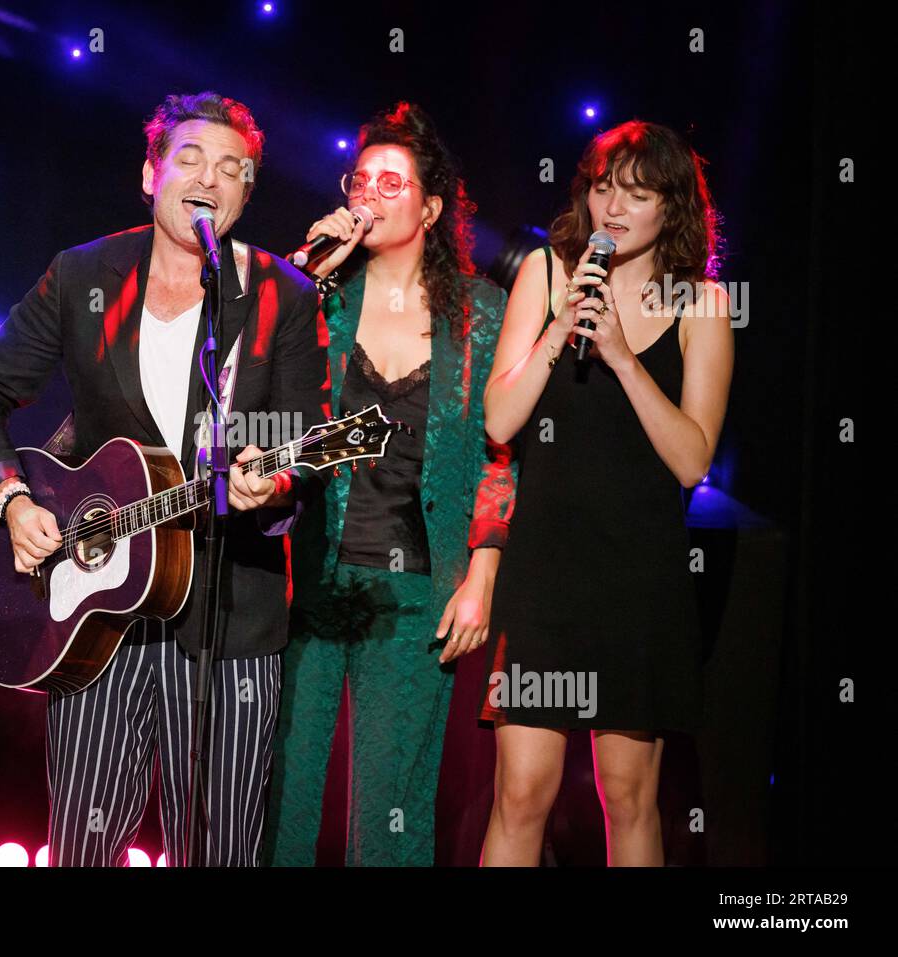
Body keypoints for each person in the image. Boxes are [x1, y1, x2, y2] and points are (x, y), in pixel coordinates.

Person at [0, 91, 329, 867]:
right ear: (150, 175)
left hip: (229, 618)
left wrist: (275, 484)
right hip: (95, 623)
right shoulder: (82, 273)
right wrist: (12, 497)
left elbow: (296, 446)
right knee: (82, 846)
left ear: (247, 193)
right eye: (188, 159)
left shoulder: (282, 296)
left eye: (233, 170)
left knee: (219, 849)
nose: (209, 179)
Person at [263, 102, 516, 866]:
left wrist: (482, 574)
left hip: (416, 592)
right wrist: (304, 271)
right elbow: (249, 379)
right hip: (307, 579)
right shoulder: (315, 295)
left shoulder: (480, 314)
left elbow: (503, 455)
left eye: (392, 181)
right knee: (286, 801)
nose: (369, 194)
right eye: (359, 178)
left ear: (431, 207)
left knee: (392, 817)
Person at [478, 119, 734, 866]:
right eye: (602, 187)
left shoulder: (706, 305)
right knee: (521, 792)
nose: (613, 208)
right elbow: (499, 417)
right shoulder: (548, 273)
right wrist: (559, 331)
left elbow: (692, 461)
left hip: (639, 577)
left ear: (673, 208)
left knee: (628, 794)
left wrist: (624, 358)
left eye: (638, 193)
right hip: (546, 573)